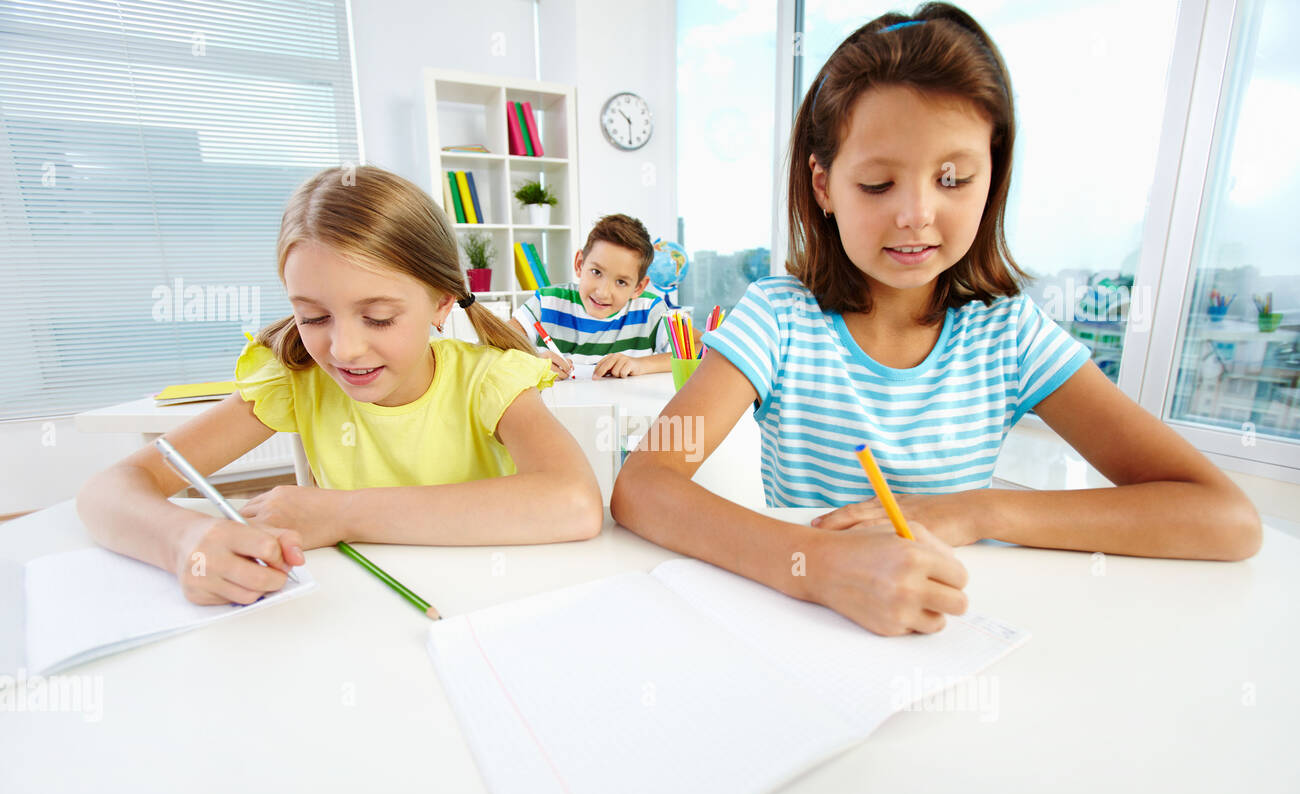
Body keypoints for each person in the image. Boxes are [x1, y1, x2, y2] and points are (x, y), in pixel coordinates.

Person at [612, 3, 1261, 637]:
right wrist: (816, 567)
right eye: (877, 185)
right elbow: (644, 487)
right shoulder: (781, 317)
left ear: (991, 178)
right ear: (822, 186)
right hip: (805, 634)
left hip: (952, 630)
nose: (917, 214)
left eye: (953, 179)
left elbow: (1224, 517)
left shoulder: (1010, 335)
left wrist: (975, 511)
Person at [78, 165, 603, 606]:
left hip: (489, 601)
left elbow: (574, 503)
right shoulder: (296, 381)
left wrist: (339, 512)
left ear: (443, 302)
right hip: (356, 611)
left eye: (377, 317)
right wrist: (184, 541)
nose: (344, 349)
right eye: (313, 316)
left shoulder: (489, 379)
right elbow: (108, 490)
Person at [513, 214, 673, 378]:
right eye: (596, 272)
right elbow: (494, 343)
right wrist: (531, 360)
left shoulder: (650, 310)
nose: (602, 292)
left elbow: (697, 350)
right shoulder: (547, 303)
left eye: (621, 282)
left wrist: (641, 364)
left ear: (638, 287)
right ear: (579, 264)